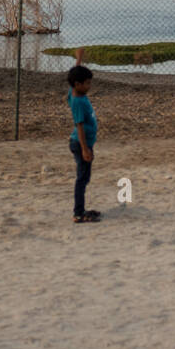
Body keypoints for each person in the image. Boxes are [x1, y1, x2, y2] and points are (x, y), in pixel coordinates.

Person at [67, 48, 101, 222]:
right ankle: (78, 213)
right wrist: (85, 149)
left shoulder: (73, 93)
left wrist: (78, 60)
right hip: (81, 143)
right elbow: (79, 126)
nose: (89, 86)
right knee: (82, 178)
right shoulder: (79, 102)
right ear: (78, 84)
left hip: (84, 143)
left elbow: (72, 77)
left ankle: (81, 209)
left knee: (84, 177)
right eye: (87, 83)